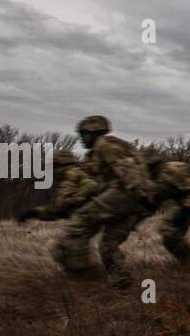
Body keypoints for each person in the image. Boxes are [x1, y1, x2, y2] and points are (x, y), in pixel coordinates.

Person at [56, 115, 155, 286]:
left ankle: (83, 275)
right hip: (136, 202)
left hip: (126, 195)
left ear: (93, 132)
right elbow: (91, 174)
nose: (81, 139)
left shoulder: (106, 146)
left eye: (83, 135)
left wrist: (140, 195)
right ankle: (122, 281)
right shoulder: (101, 150)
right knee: (108, 245)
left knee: (79, 223)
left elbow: (127, 171)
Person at [141, 149, 190, 271]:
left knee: (167, 229)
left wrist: (187, 207)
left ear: (152, 165)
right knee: (171, 232)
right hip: (187, 201)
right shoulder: (162, 174)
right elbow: (156, 199)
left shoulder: (169, 172)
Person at [15, 149, 99, 224]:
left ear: (59, 165)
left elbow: (58, 205)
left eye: (53, 166)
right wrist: (34, 213)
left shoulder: (70, 174)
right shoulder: (77, 173)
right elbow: (56, 209)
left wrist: (34, 213)